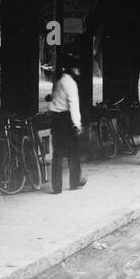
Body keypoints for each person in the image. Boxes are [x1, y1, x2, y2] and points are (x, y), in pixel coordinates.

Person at [48, 59, 87, 193]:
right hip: (66, 119)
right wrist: (77, 124)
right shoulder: (70, 83)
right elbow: (73, 105)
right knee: (74, 151)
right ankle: (74, 182)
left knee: (57, 153)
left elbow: (53, 97)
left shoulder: (58, 80)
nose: (79, 71)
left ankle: (56, 187)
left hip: (55, 118)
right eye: (77, 69)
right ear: (72, 69)